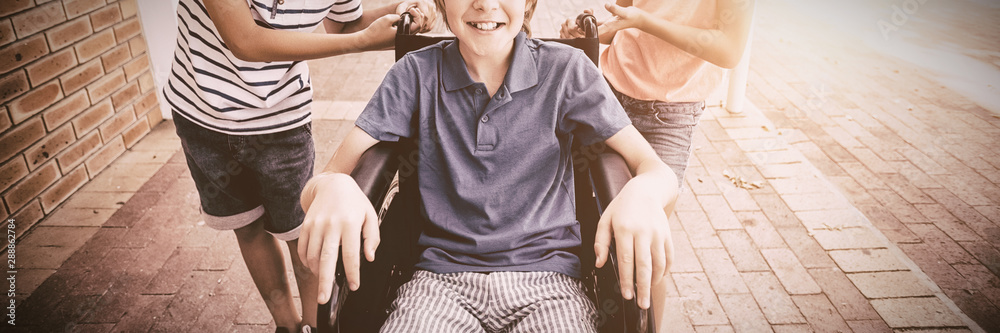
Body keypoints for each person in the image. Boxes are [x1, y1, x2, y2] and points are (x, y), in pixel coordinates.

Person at [297, 0, 679, 331]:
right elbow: (325, 179)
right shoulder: (414, 74)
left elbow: (654, 167)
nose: (485, 3)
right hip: (438, 282)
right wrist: (335, 188)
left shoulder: (566, 71)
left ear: (528, 3)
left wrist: (641, 193)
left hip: (548, 282)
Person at [163, 0, 436, 332]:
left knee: (303, 234)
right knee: (247, 227)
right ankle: (287, 325)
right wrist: (363, 41)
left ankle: (314, 326)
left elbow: (344, 23)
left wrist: (402, 8)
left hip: (282, 121)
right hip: (202, 117)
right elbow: (244, 40)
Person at [561, 0, 755, 186]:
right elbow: (623, 21)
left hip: (671, 114)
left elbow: (730, 50)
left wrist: (644, 22)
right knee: (584, 194)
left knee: (646, 211)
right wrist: (588, 32)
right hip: (612, 94)